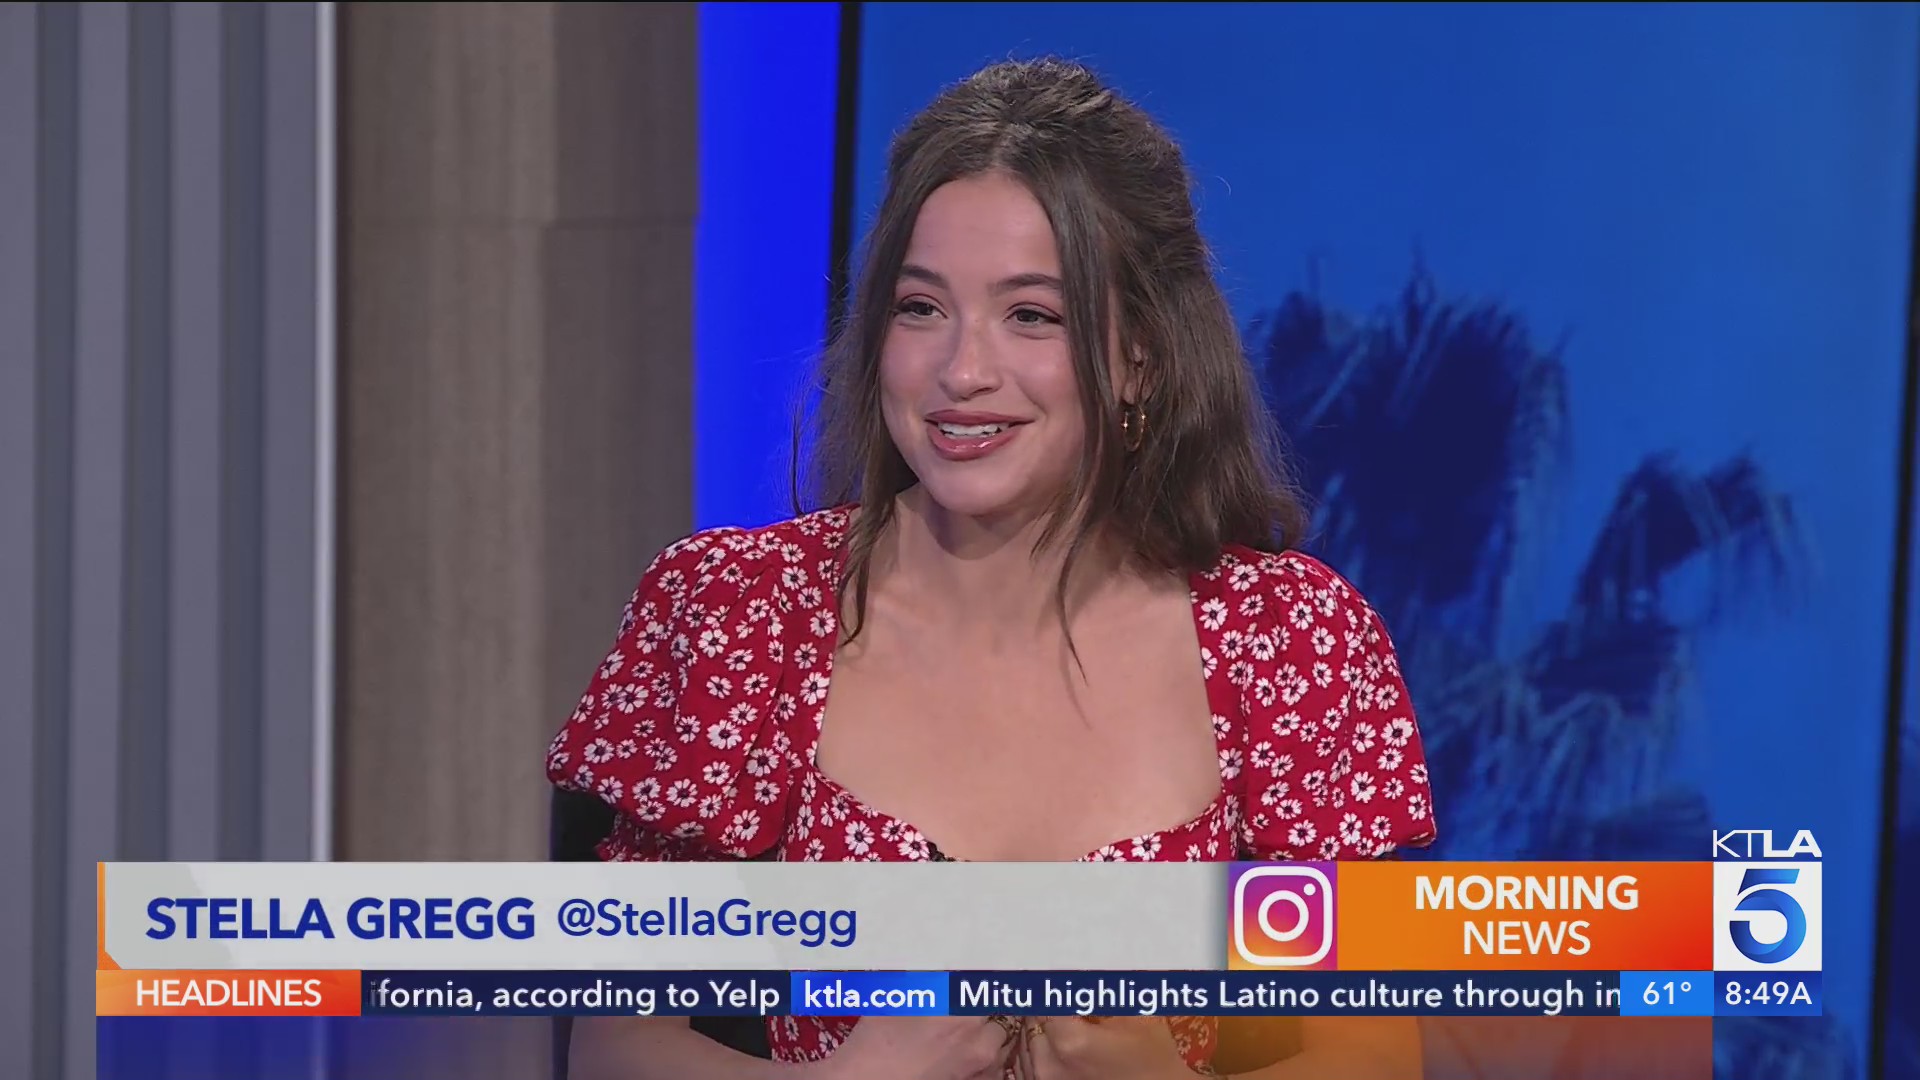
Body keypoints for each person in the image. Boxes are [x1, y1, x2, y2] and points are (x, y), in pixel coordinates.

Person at [547, 56, 1436, 1080]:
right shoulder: (739, 616)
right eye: (920, 308)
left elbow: (1371, 1053)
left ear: (1142, 356)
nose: (962, 371)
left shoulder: (1288, 643)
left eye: (1032, 316)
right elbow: (616, 1047)